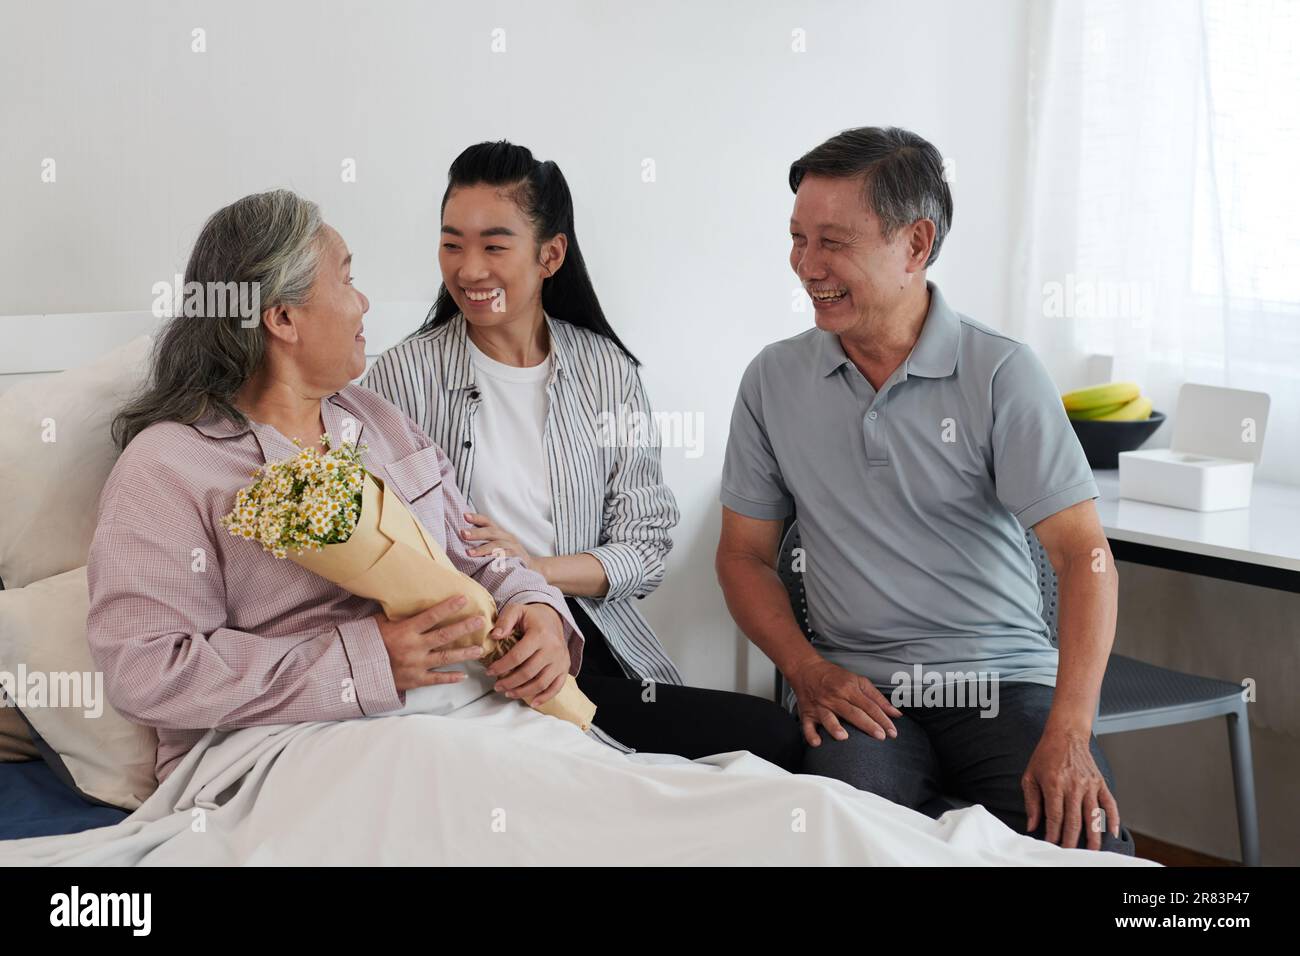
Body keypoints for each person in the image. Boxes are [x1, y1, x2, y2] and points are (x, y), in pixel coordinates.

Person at [715, 126, 1135, 854]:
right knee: (842, 841)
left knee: (1085, 845)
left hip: (1005, 683)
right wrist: (806, 669)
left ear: (915, 244)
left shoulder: (1001, 373)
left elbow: (1083, 556)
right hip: (866, 696)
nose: (807, 266)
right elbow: (743, 556)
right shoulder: (772, 380)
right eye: (797, 239)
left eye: (833, 242)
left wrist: (1070, 732)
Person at [94, 189, 583, 783]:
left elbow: (476, 552)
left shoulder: (376, 419)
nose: (364, 302)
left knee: (633, 805)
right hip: (284, 750)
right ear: (282, 318)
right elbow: (146, 671)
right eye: (347, 280)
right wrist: (363, 660)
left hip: (468, 714)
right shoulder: (168, 467)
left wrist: (537, 608)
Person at [363, 141, 803, 771]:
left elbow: (646, 548)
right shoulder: (400, 376)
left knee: (771, 738)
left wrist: (535, 569)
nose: (468, 269)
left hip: (597, 646)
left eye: (494, 245)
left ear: (551, 255)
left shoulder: (606, 372)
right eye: (452, 243)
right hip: (476, 652)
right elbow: (383, 541)